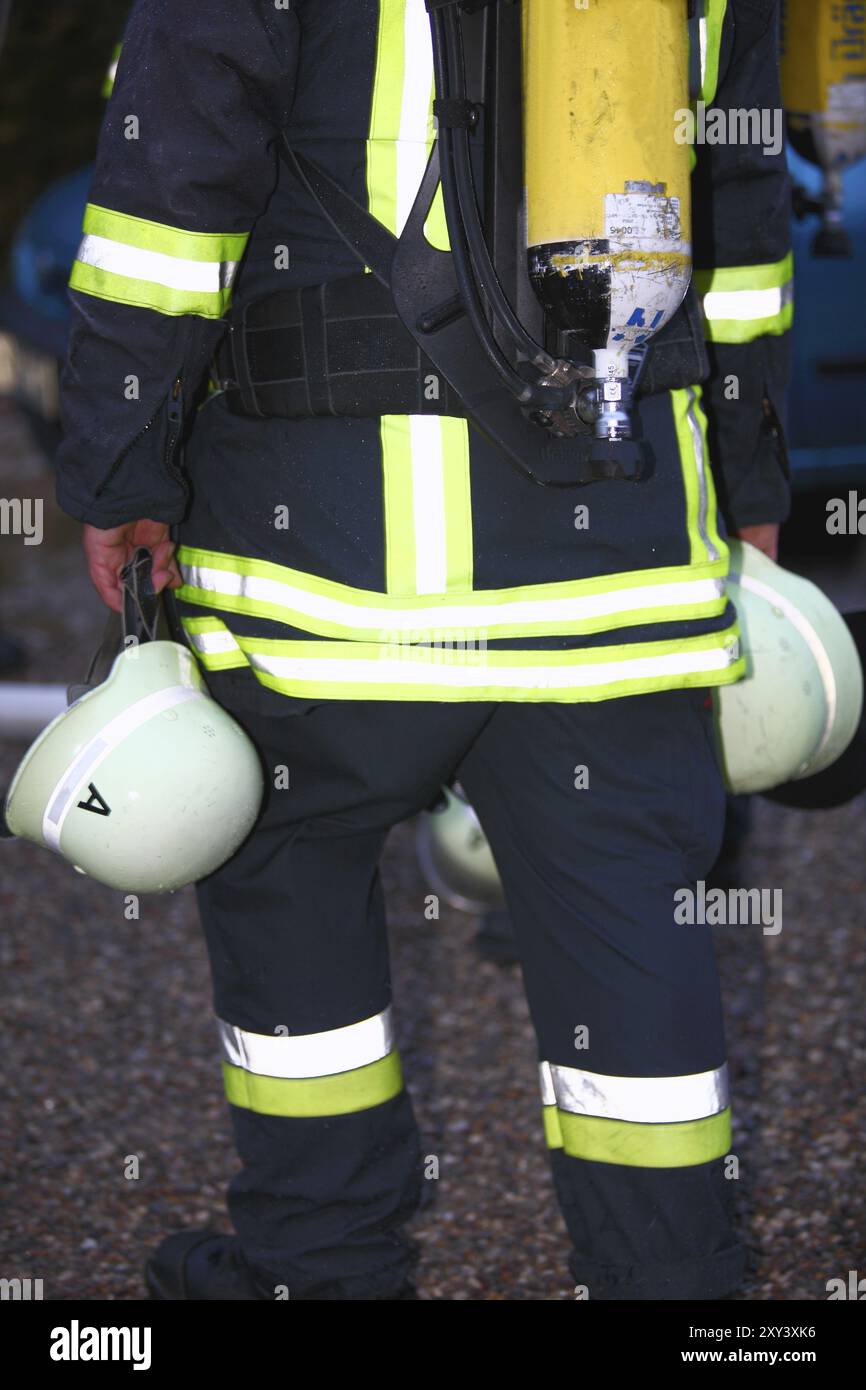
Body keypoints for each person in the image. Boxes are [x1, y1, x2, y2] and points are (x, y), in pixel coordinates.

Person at [55, 0, 792, 1301]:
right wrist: (746, 485)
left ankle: (319, 1266)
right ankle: (675, 1288)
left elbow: (169, 204)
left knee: (287, 875)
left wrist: (122, 472)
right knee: (629, 918)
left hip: (330, 587)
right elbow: (734, 214)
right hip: (613, 574)